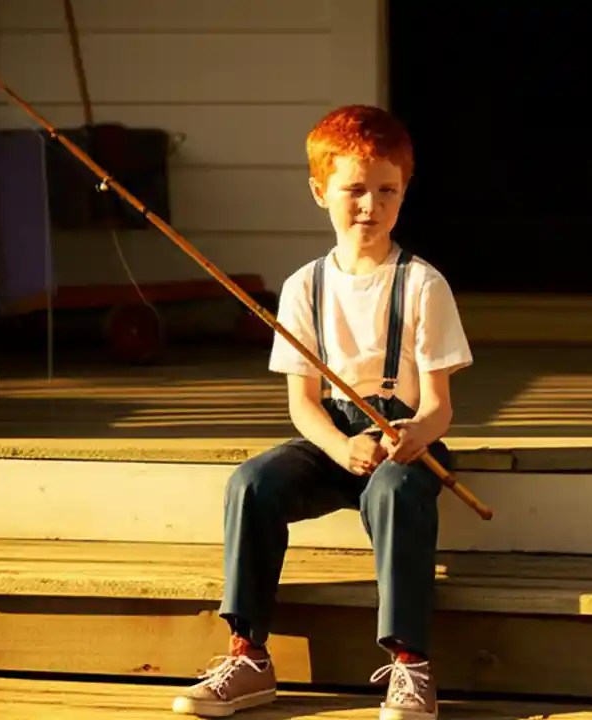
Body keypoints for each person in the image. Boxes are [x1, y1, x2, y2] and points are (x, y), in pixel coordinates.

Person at [172, 104, 472, 719]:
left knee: (393, 492)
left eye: (386, 191)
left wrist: (412, 434)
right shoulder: (303, 287)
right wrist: (340, 447)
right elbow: (302, 406)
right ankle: (249, 656)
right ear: (319, 192)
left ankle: (410, 665)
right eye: (354, 190)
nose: (370, 205)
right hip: (333, 438)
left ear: (404, 192)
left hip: (403, 444)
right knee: (251, 483)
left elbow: (440, 407)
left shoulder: (423, 285)